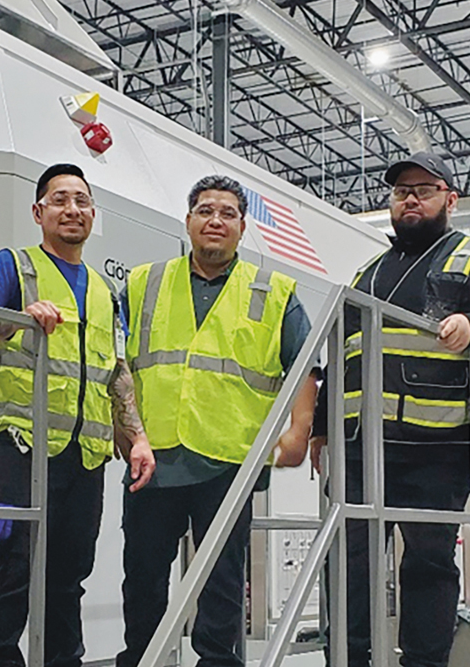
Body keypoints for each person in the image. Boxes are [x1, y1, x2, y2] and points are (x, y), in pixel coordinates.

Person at [310, 152, 470, 667]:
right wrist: (321, 427)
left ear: (450, 199)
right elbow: (342, 353)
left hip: (437, 448)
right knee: (347, 567)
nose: (410, 198)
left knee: (429, 565)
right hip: (358, 451)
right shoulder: (367, 275)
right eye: (401, 192)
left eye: (424, 189)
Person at [0, 163, 156, 667]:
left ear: (93, 215)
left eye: (81, 201)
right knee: (15, 566)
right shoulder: (14, 267)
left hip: (85, 457)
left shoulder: (106, 293)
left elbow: (117, 373)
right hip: (23, 446)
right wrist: (16, 318)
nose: (72, 210)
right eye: (60, 200)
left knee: (69, 576)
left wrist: (139, 438)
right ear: (39, 212)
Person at [117, 175, 320, 667]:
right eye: (205, 210)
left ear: (242, 227)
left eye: (227, 213)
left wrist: (299, 431)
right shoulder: (143, 283)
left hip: (231, 459)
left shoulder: (274, 291)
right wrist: (126, 431)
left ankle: (217, 663)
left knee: (223, 580)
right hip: (154, 457)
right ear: (188, 221)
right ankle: (143, 659)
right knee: (142, 574)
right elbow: (114, 360)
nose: (215, 220)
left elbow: (305, 366)